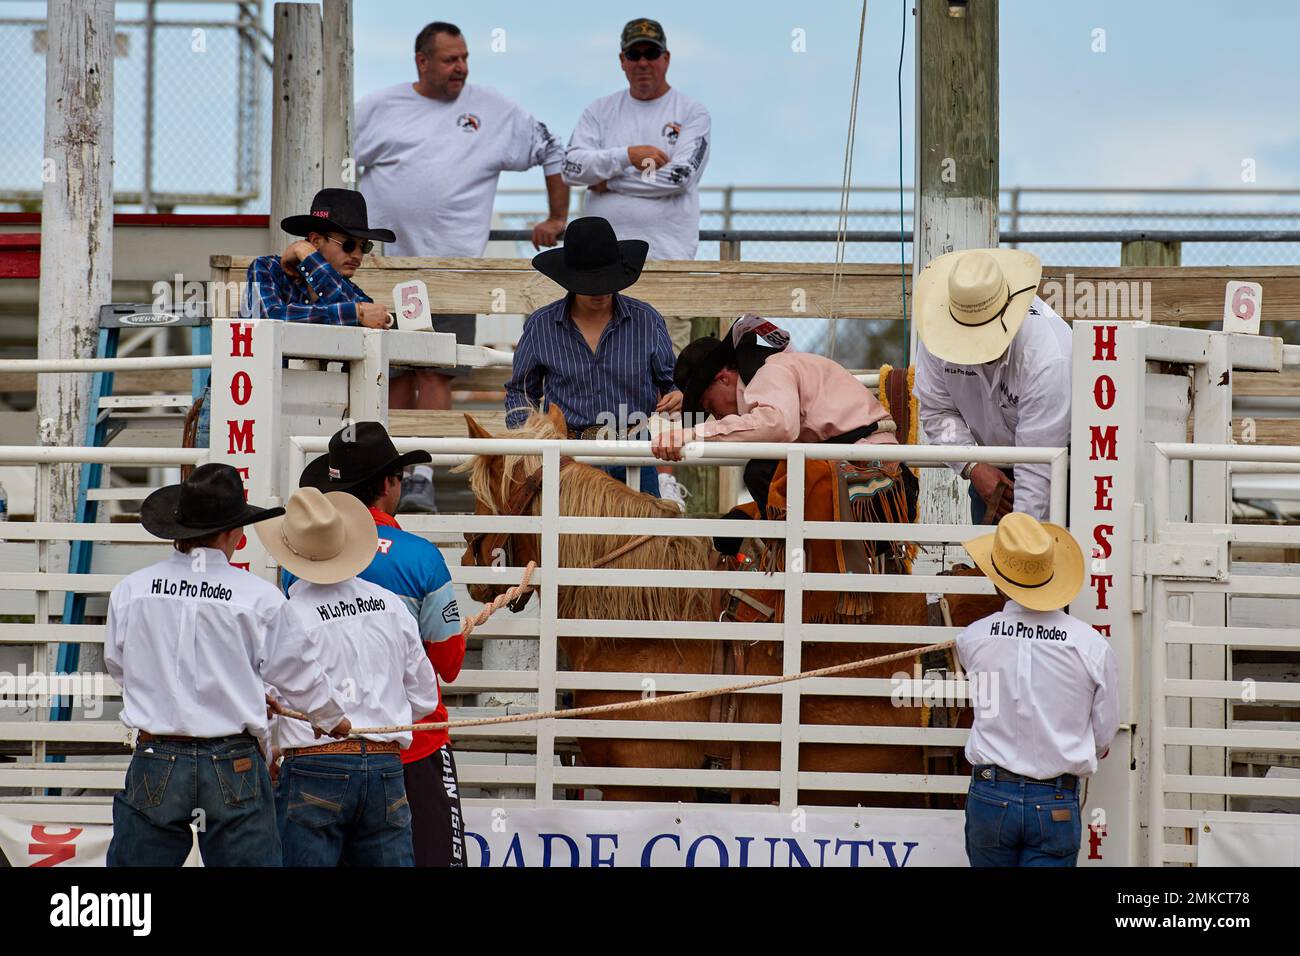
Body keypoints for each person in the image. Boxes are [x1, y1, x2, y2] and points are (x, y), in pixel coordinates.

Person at [104, 464, 350, 867]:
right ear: (233, 532)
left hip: (156, 754)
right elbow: (297, 673)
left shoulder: (131, 591)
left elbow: (120, 665)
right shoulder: (258, 597)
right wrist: (330, 717)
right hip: (232, 759)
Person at [357, 19, 569, 430]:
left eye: (465, 58)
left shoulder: (492, 109)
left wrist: (557, 217)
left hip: (453, 270)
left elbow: (551, 147)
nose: (461, 67)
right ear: (421, 62)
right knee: (391, 372)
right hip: (385, 268)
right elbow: (333, 158)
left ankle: (424, 474)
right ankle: (392, 468)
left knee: (437, 370)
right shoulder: (379, 107)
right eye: (450, 59)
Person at [295, 422, 467, 867]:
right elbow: (447, 665)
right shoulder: (421, 557)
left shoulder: (299, 567)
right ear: (389, 484)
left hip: (323, 749)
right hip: (410, 747)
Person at [260, 487, 441, 867]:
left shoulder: (288, 614)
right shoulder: (391, 606)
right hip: (385, 768)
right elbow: (425, 698)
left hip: (313, 765)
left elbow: (269, 701)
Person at [956, 511, 1119, 867]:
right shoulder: (1091, 646)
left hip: (990, 792)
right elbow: (1103, 735)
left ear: (998, 581)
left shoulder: (972, 638)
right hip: (1055, 798)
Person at [651, 314, 911, 517]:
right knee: (740, 518)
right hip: (862, 468)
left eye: (709, 406)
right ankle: (796, 562)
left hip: (876, 478)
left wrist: (694, 433)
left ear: (724, 378)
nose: (715, 417)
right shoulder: (776, 370)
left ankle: (798, 564)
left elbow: (779, 426)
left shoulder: (771, 372)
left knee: (761, 471)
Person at [195, 189, 394, 451]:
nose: (357, 254)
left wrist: (308, 258)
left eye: (363, 246)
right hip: (240, 405)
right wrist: (354, 313)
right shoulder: (266, 268)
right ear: (315, 240)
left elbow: (379, 318)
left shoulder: (348, 291)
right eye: (348, 244)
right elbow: (273, 320)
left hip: (305, 408)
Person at [562, 18, 710, 356]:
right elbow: (571, 168)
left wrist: (608, 178)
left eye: (651, 53)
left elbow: (680, 177)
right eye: (635, 54)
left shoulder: (692, 112)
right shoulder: (598, 111)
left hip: (666, 263)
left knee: (666, 369)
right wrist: (628, 155)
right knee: (600, 363)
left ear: (666, 58)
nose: (643, 62)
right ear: (622, 61)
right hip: (601, 272)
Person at [507, 216, 681, 500]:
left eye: (607, 281)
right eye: (591, 283)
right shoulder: (541, 325)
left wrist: (678, 394)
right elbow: (520, 392)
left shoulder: (647, 320)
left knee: (643, 538)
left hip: (634, 445)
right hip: (569, 453)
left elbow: (670, 382)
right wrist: (532, 438)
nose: (601, 291)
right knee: (572, 541)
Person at [912, 248, 1072, 523]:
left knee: (1043, 557)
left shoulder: (1047, 357)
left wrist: (1020, 535)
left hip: (1064, 470)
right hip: (991, 467)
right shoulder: (936, 341)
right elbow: (938, 412)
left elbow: (1040, 464)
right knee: (995, 558)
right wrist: (972, 464)